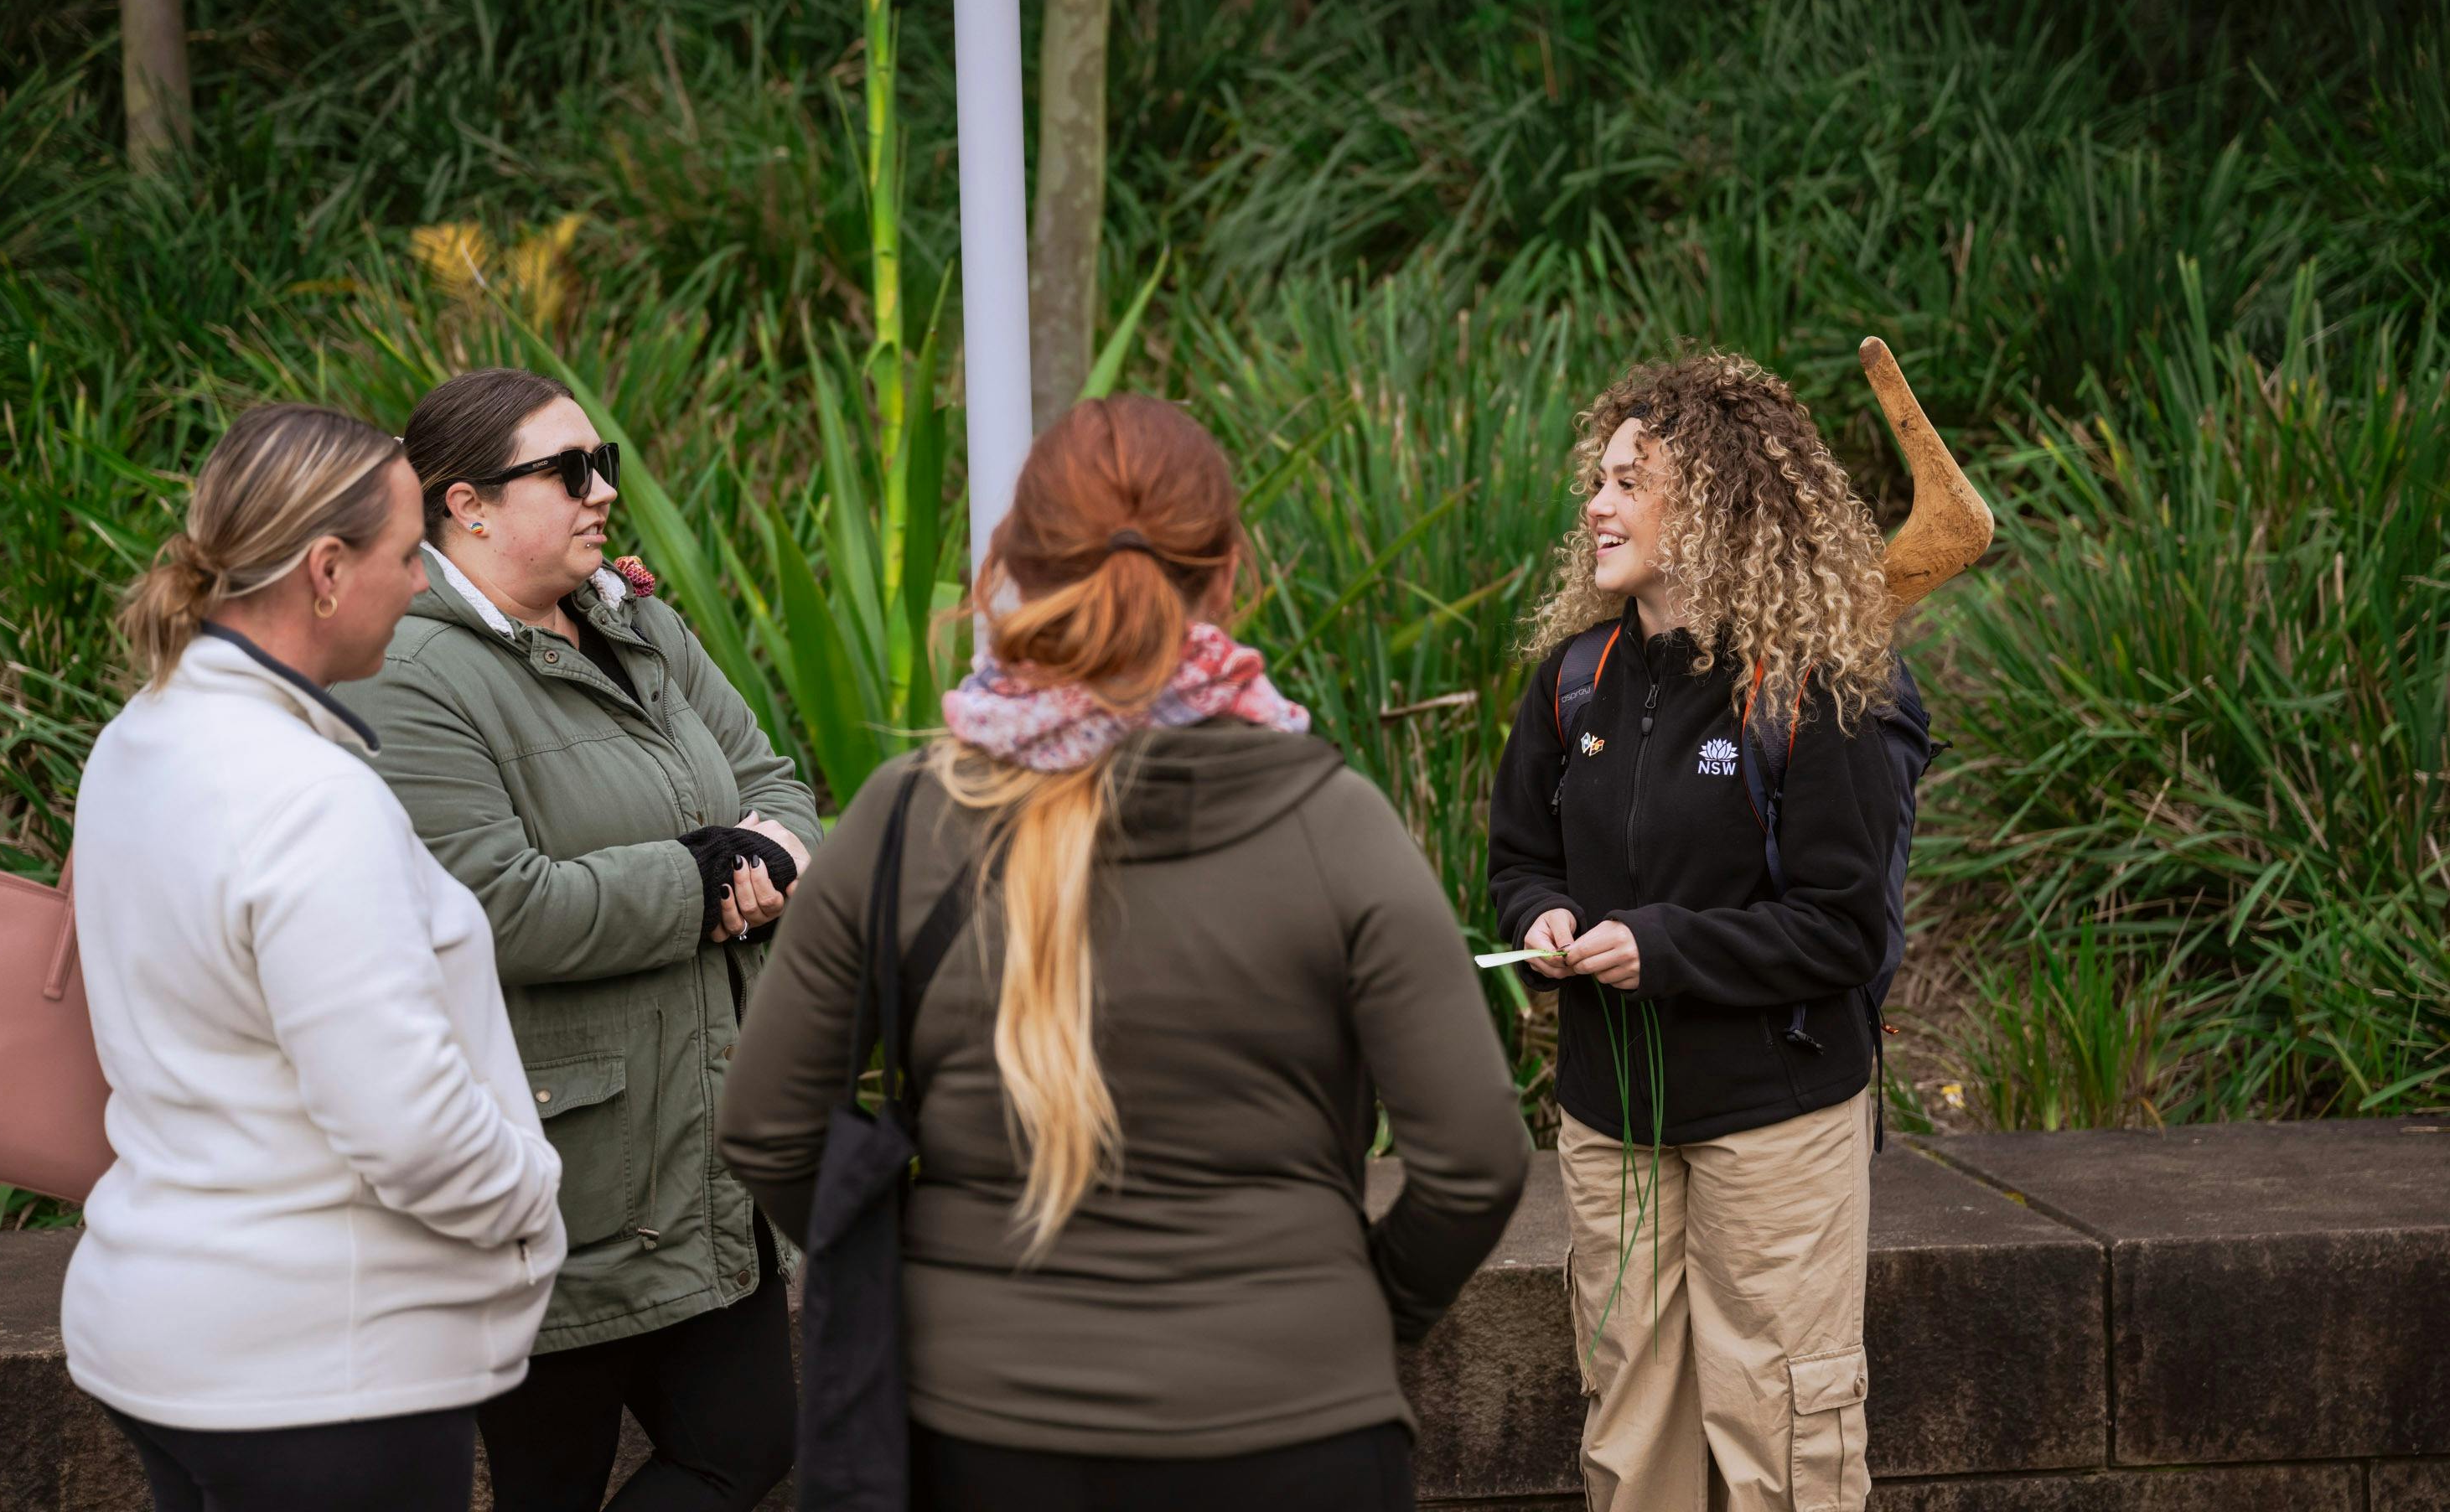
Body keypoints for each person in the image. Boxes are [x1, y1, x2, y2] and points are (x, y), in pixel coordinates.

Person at [717, 395, 1531, 1512]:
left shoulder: (907, 819)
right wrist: (1352, 1312)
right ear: (1228, 573)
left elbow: (765, 1124)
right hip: (1298, 1429)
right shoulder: (1335, 825)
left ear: (1011, 563)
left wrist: (930, 1281)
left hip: (981, 1430)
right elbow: (1478, 1160)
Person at [334, 368, 822, 1512]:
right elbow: (494, 906)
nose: (603, 490)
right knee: (550, 1483)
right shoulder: (411, 670)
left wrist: (772, 855)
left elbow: (776, 784)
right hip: (560, 1170)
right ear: (469, 505)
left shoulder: (634, 620)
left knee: (749, 1445)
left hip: (703, 1146)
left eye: (604, 463)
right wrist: (708, 877)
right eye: (570, 470)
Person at [65, 406, 566, 1512]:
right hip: (318, 1377)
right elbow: (407, 1125)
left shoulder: (140, 737)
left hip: (161, 1334)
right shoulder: (310, 800)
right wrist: (532, 1190)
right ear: (328, 571)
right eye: (409, 556)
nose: (424, 585)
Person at [1488, 353, 1904, 1512]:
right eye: (1600, 480)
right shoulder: (1574, 683)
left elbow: (1843, 930)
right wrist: (1542, 915)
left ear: (1717, 505)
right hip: (1610, 1119)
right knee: (1629, 1440)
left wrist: (1663, 949)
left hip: (1774, 1128)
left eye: (1632, 483)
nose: (1598, 504)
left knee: (1784, 1444)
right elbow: (1519, 860)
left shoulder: (1808, 693)